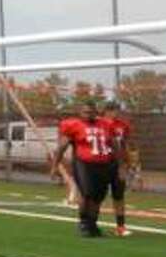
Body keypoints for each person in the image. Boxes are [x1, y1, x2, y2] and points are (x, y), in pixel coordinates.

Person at [54, 98, 118, 238]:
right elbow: (62, 147)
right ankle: (84, 222)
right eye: (85, 112)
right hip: (84, 163)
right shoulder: (73, 125)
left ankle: (93, 224)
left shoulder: (106, 124)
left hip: (104, 164)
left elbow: (114, 145)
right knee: (87, 193)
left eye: (91, 111)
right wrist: (55, 166)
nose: (88, 114)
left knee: (98, 197)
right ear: (80, 112)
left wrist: (120, 163)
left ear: (96, 112)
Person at [100, 100, 139, 236]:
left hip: (117, 164)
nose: (116, 113)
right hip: (102, 162)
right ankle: (89, 222)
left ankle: (120, 226)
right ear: (106, 111)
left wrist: (129, 162)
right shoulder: (100, 124)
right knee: (97, 194)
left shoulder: (123, 125)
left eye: (117, 110)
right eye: (114, 110)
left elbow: (125, 144)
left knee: (119, 195)